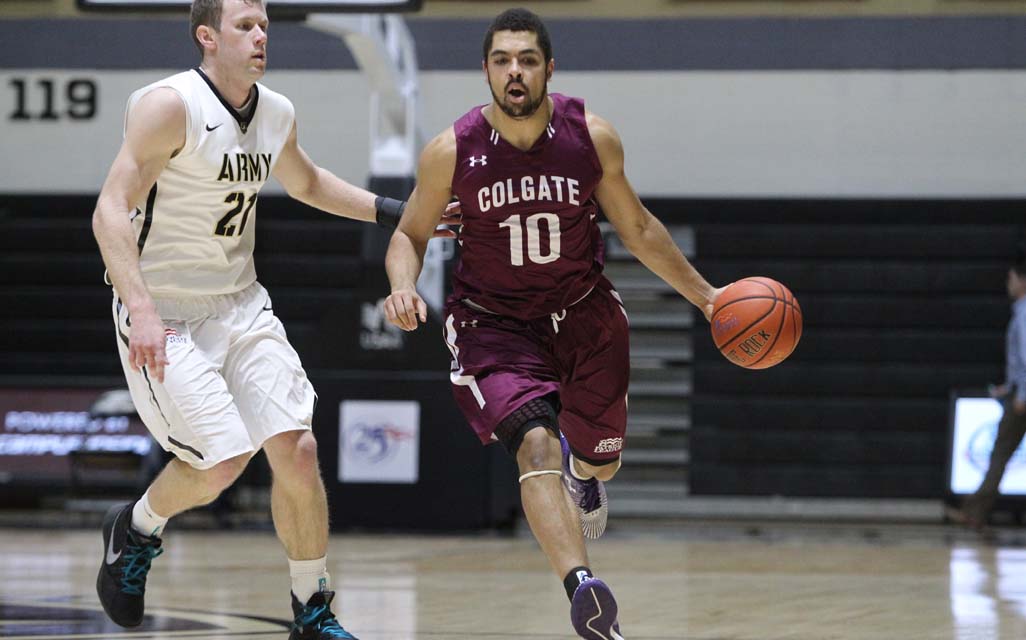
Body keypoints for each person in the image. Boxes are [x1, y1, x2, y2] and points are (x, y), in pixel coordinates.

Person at [91, 1, 454, 638]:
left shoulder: (276, 111)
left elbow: (308, 182)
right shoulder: (168, 106)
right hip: (163, 309)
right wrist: (142, 310)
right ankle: (137, 528)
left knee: (298, 448)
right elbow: (109, 210)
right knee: (222, 462)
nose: (261, 37)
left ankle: (311, 606)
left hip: (240, 302)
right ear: (207, 37)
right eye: (245, 26)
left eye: (264, 26)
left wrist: (398, 211)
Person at [382, 8, 723, 639]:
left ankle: (586, 478)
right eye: (503, 60)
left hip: (586, 316)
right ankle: (585, 592)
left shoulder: (591, 136)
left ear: (549, 69)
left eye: (528, 60)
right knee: (534, 445)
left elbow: (641, 229)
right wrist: (402, 284)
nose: (516, 73)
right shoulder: (450, 151)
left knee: (599, 461)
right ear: (485, 70)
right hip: (495, 325)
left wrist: (708, 298)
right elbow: (408, 233)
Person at [950, 248, 1026, 530]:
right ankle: (974, 511)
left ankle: (974, 513)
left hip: (1022, 401)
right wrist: (1008, 387)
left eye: (1012, 277)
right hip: (1017, 393)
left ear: (1023, 280)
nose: (1008, 283)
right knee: (1000, 455)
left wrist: (1021, 395)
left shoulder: (1024, 314)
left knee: (1000, 455)